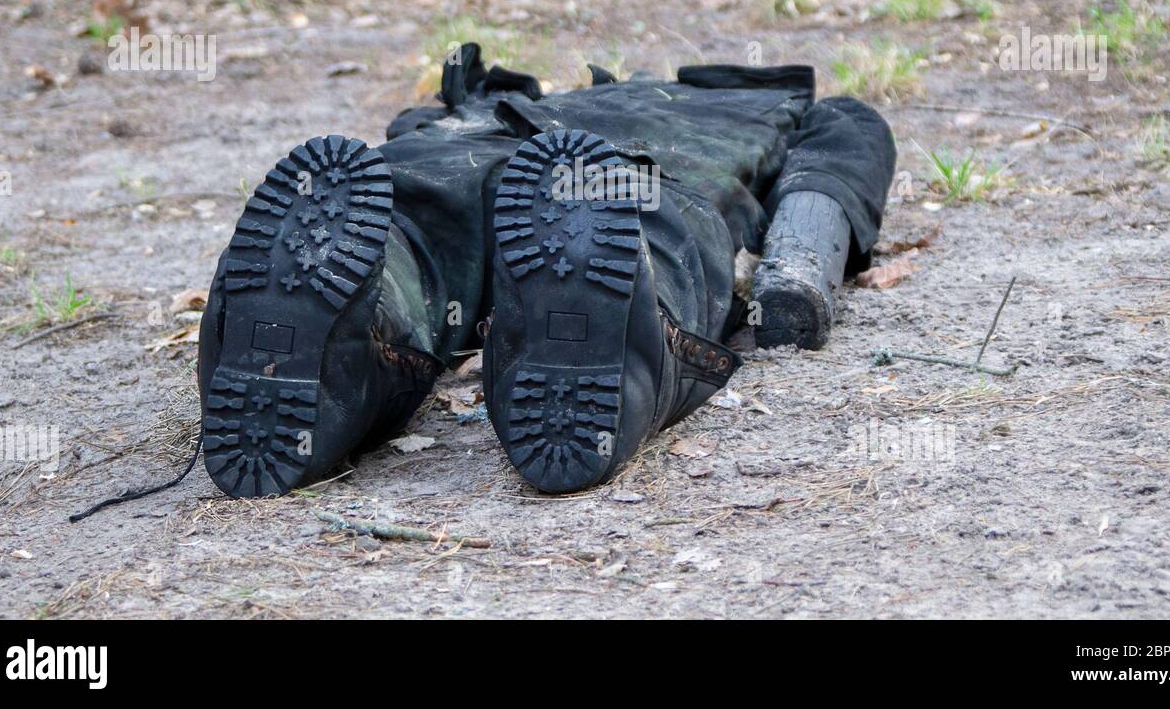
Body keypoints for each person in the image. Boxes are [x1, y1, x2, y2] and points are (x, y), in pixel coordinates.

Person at [194, 44, 896, 497]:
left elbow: (402, 131)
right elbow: (834, 169)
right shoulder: (765, 107)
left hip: (459, 149)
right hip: (640, 171)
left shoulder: (474, 96)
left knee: (405, 243)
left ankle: (338, 358)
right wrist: (794, 279)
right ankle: (616, 355)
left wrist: (795, 280)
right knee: (652, 247)